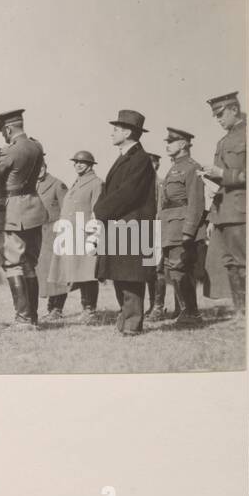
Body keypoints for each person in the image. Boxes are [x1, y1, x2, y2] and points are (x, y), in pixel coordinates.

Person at [0, 109, 47, 328]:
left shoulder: (8, 152)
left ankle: (23, 319)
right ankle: (32, 317)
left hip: (12, 213)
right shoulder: (36, 146)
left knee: (13, 264)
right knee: (29, 265)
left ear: (8, 129)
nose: (3, 137)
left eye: (3, 132)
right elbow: (20, 158)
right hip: (33, 209)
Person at [93, 109, 157, 336]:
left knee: (130, 277)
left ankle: (132, 323)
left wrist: (99, 211)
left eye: (116, 129)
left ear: (128, 132)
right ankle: (126, 320)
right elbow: (112, 190)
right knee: (121, 274)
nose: (112, 133)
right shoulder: (127, 157)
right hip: (121, 224)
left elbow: (127, 193)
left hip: (132, 226)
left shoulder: (139, 159)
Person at [202, 91, 247, 316]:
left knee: (243, 261)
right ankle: (240, 310)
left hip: (241, 210)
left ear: (233, 109)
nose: (218, 119)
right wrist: (212, 175)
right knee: (230, 262)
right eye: (216, 116)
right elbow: (220, 182)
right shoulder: (223, 141)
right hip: (223, 210)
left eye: (221, 114)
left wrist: (224, 174)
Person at [45, 150, 102, 322]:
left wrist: (93, 236)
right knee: (63, 272)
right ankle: (55, 309)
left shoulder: (96, 183)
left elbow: (97, 210)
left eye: (82, 162)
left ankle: (89, 310)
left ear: (90, 165)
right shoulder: (77, 182)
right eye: (76, 162)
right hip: (68, 234)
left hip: (84, 235)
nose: (78, 164)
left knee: (87, 273)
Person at [157, 127, 206, 326]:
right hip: (171, 226)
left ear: (183, 144)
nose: (167, 145)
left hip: (182, 226)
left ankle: (191, 314)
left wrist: (189, 230)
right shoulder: (174, 167)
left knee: (180, 268)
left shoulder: (191, 167)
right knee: (173, 269)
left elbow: (196, 202)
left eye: (171, 141)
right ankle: (185, 312)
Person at [34, 162, 68, 320]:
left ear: (46, 167)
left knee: (57, 273)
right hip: (39, 235)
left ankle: (57, 309)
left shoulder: (57, 184)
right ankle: (50, 308)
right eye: (36, 167)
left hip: (55, 234)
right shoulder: (31, 184)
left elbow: (66, 210)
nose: (39, 170)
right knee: (45, 273)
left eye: (41, 166)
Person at [145, 152, 171, 320]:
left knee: (157, 270)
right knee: (148, 270)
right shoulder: (142, 185)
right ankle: (152, 305)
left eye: (151, 163)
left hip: (157, 229)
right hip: (143, 230)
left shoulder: (160, 184)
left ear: (156, 165)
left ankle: (158, 307)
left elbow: (162, 209)